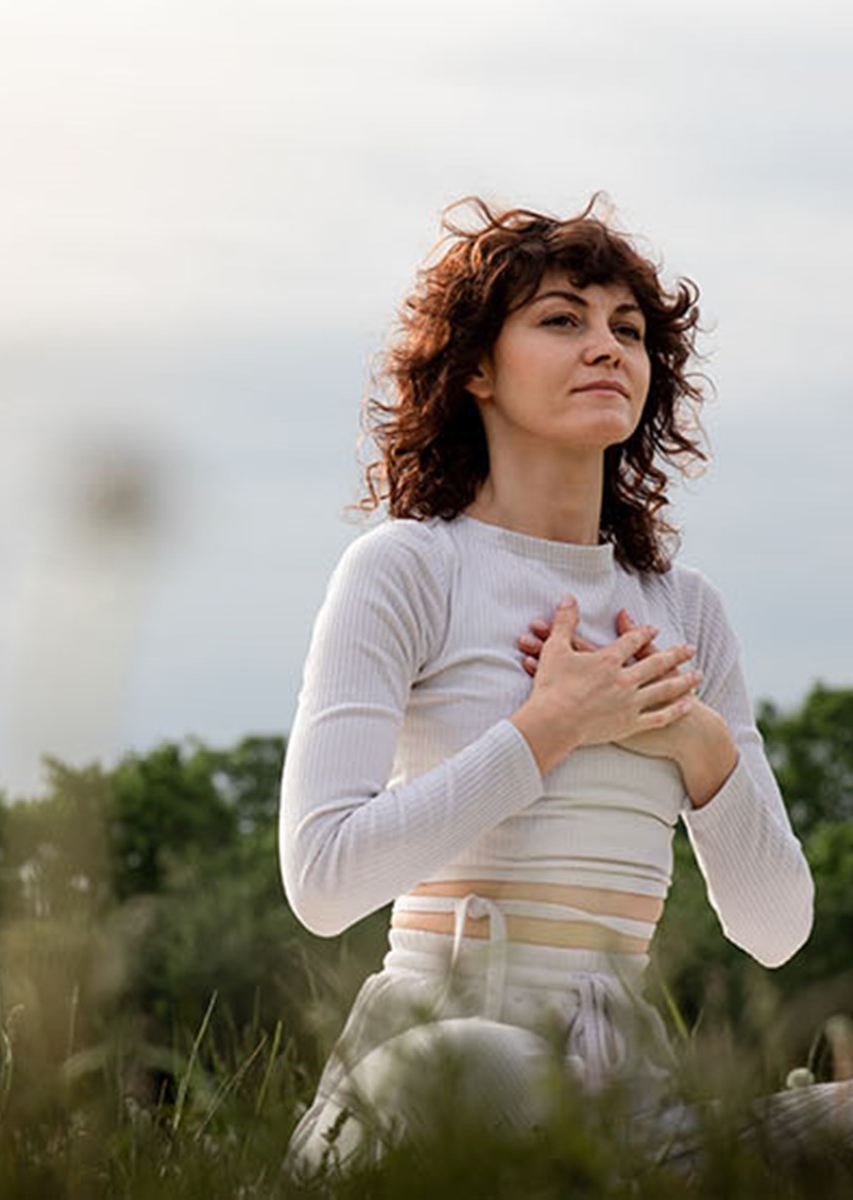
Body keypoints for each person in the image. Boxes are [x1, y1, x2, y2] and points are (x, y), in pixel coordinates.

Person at [277, 197, 827, 1175]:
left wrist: (699, 744)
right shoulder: (409, 568)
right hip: (434, 1063)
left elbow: (777, 931)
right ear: (476, 368)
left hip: (630, 1099)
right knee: (485, 1070)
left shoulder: (685, 609)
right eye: (562, 319)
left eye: (629, 329)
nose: (606, 346)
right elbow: (323, 882)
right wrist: (550, 728)